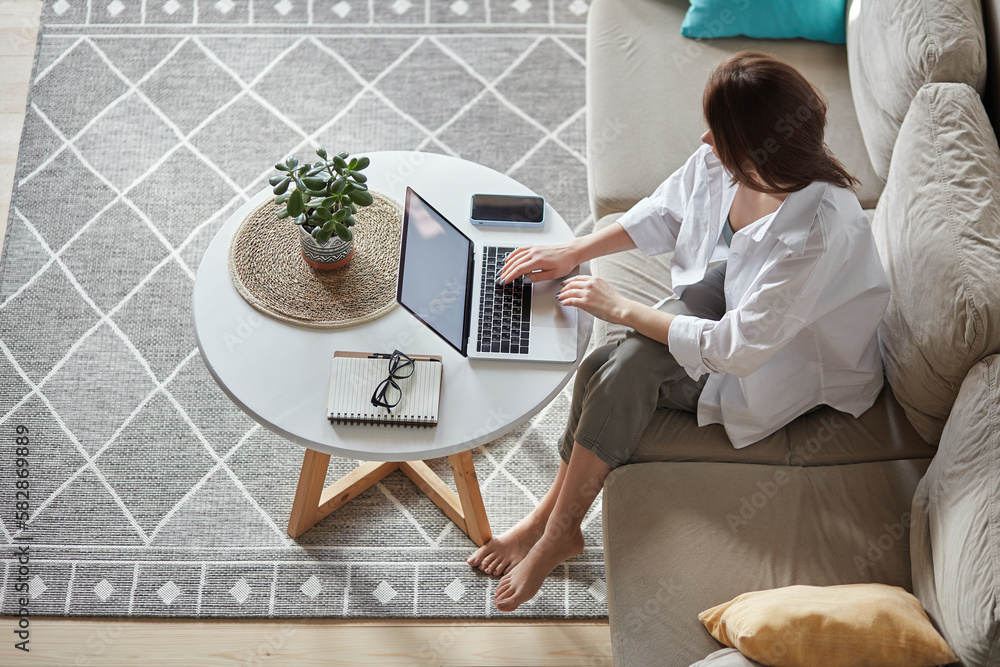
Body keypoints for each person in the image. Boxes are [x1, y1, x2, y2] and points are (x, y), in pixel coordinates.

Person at [467, 51, 892, 612]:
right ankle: (554, 526)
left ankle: (551, 538)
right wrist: (573, 252)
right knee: (604, 367)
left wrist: (620, 308)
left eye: (720, 133)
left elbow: (738, 351)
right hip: (740, 298)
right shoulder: (730, 159)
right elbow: (666, 211)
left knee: (621, 371)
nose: (704, 140)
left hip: (789, 358)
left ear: (758, 144)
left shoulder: (816, 233)